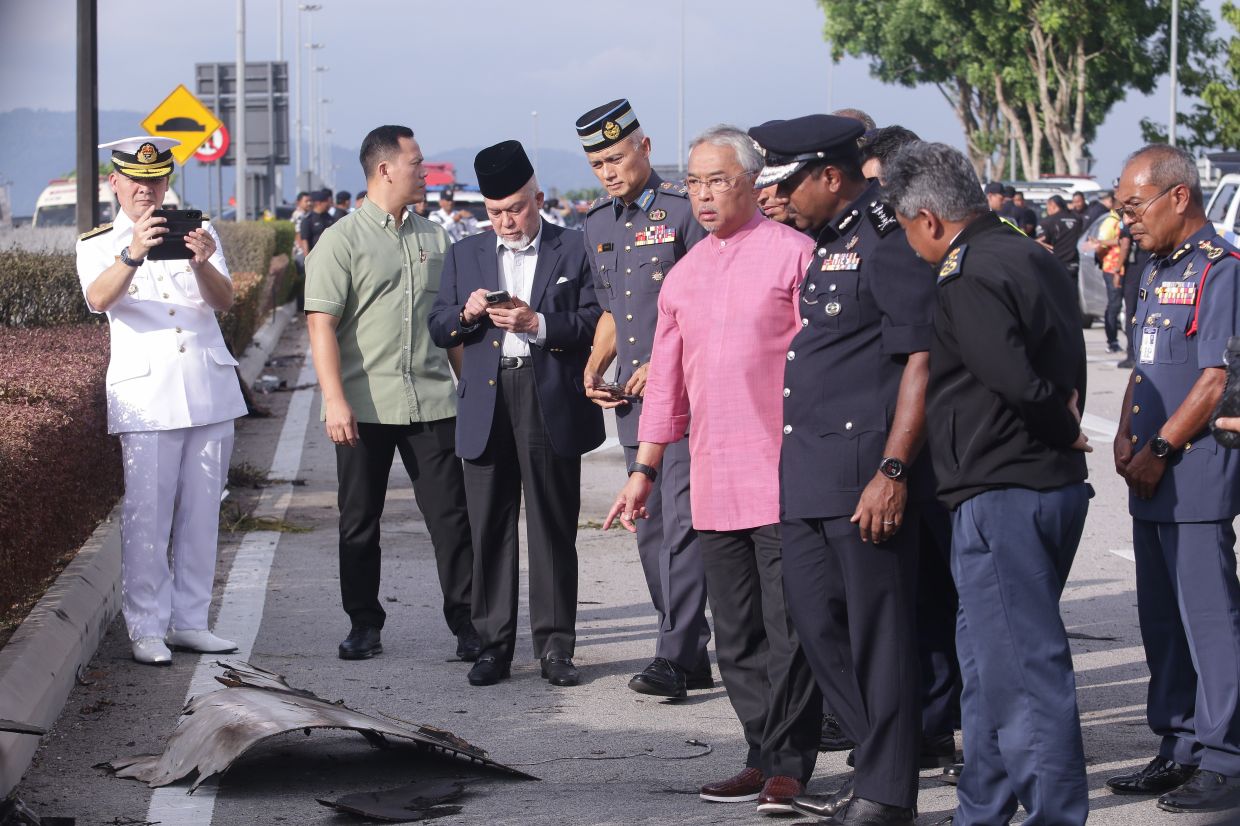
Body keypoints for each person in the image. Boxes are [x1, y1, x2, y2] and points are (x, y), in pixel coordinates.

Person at [605, 125, 821, 816]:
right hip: (715, 482)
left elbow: (828, 366)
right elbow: (665, 383)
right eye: (694, 181)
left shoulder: (796, 256)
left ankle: (790, 765)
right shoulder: (686, 274)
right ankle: (760, 753)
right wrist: (644, 469)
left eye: (718, 180)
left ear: (753, 184)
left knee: (792, 632)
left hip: (788, 479)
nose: (702, 194)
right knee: (736, 636)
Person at [885, 140, 1092, 826]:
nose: (911, 243)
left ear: (929, 220)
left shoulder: (965, 271)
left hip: (1004, 487)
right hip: (1039, 485)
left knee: (1024, 676)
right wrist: (1064, 427)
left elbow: (1012, 378)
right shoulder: (1026, 251)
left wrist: (1063, 430)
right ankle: (984, 806)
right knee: (987, 670)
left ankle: (1052, 815)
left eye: (906, 227)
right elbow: (1069, 366)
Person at [749, 115, 933, 826]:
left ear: (830, 175)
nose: (779, 198)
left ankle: (887, 792)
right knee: (815, 624)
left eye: (787, 183)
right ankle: (881, 754)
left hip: (864, 476)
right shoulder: (825, 243)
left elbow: (921, 356)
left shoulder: (886, 242)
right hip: (810, 472)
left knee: (879, 633)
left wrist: (894, 468)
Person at [428, 140, 604, 688]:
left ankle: (555, 648)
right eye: (496, 212)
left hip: (546, 391)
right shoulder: (465, 254)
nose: (507, 221)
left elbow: (598, 317)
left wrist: (539, 324)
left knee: (552, 524)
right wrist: (467, 312)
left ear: (539, 198)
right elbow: (437, 327)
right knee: (489, 526)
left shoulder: (573, 248)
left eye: (517, 209)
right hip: (486, 396)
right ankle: (492, 645)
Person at [304, 125, 476, 663]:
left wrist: (469, 387)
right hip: (364, 406)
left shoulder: (436, 239)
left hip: (431, 403)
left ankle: (469, 624)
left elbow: (447, 324)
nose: (425, 172)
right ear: (385, 169)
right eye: (417, 163)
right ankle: (363, 623)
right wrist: (334, 400)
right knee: (360, 520)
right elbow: (321, 326)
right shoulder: (341, 241)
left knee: (451, 518)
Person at [1105, 144, 1240, 815]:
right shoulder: (1156, 268)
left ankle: (1225, 757)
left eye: (1135, 206)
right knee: (1161, 621)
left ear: (1178, 196)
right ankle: (1179, 745)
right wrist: (1128, 436)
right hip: (1151, 472)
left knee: (1209, 620)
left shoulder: (1222, 271)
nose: (1126, 219)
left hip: (1194, 473)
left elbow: (1214, 380)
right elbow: (1144, 364)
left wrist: (1158, 446)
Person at [77, 136, 247, 665]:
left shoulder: (199, 231)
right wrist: (133, 251)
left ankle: (191, 621)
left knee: (202, 513)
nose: (147, 193)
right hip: (147, 396)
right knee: (148, 514)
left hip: (208, 388)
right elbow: (98, 299)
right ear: (116, 184)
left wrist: (202, 263)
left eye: (155, 182)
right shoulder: (98, 243)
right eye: (136, 183)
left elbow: (224, 301)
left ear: (167, 182)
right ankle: (147, 626)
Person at [575, 98, 713, 700]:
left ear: (645, 148)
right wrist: (593, 363)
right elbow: (611, 309)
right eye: (596, 162)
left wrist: (665, 358)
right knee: (649, 529)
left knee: (682, 525)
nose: (607, 171)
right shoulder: (597, 224)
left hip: (684, 398)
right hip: (633, 405)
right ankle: (686, 646)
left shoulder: (684, 213)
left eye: (615, 156)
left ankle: (675, 656)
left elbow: (709, 305)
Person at [1089, 204, 1126, 353]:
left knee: (1119, 305)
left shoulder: (1121, 220)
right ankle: (1112, 341)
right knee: (1114, 305)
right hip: (1112, 268)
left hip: (1121, 268)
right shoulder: (1110, 222)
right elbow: (1098, 246)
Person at [1117, 219, 1152, 369]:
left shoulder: (1129, 225)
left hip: (1133, 272)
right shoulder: (1150, 223)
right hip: (1150, 270)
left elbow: (1125, 246)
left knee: (1132, 315)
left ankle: (1132, 355)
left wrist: (1117, 270)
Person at [1038, 195, 1085, 281]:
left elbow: (1041, 243)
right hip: (1074, 265)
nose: (1047, 209)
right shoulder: (1077, 219)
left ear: (1053, 205)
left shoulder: (1047, 222)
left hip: (1055, 265)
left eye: (1047, 206)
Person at [300, 189, 335, 257]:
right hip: (315, 256)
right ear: (319, 203)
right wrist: (307, 259)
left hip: (329, 255)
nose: (328, 204)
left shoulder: (329, 218)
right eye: (326, 202)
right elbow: (304, 240)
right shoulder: (308, 219)